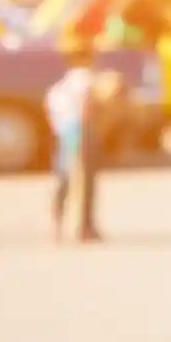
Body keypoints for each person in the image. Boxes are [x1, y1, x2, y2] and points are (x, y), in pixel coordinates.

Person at [44, 42, 124, 242]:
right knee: (85, 181)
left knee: (65, 177)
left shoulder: (60, 85)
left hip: (64, 132)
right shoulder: (84, 78)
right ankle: (85, 227)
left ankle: (57, 221)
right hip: (81, 131)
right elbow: (85, 103)